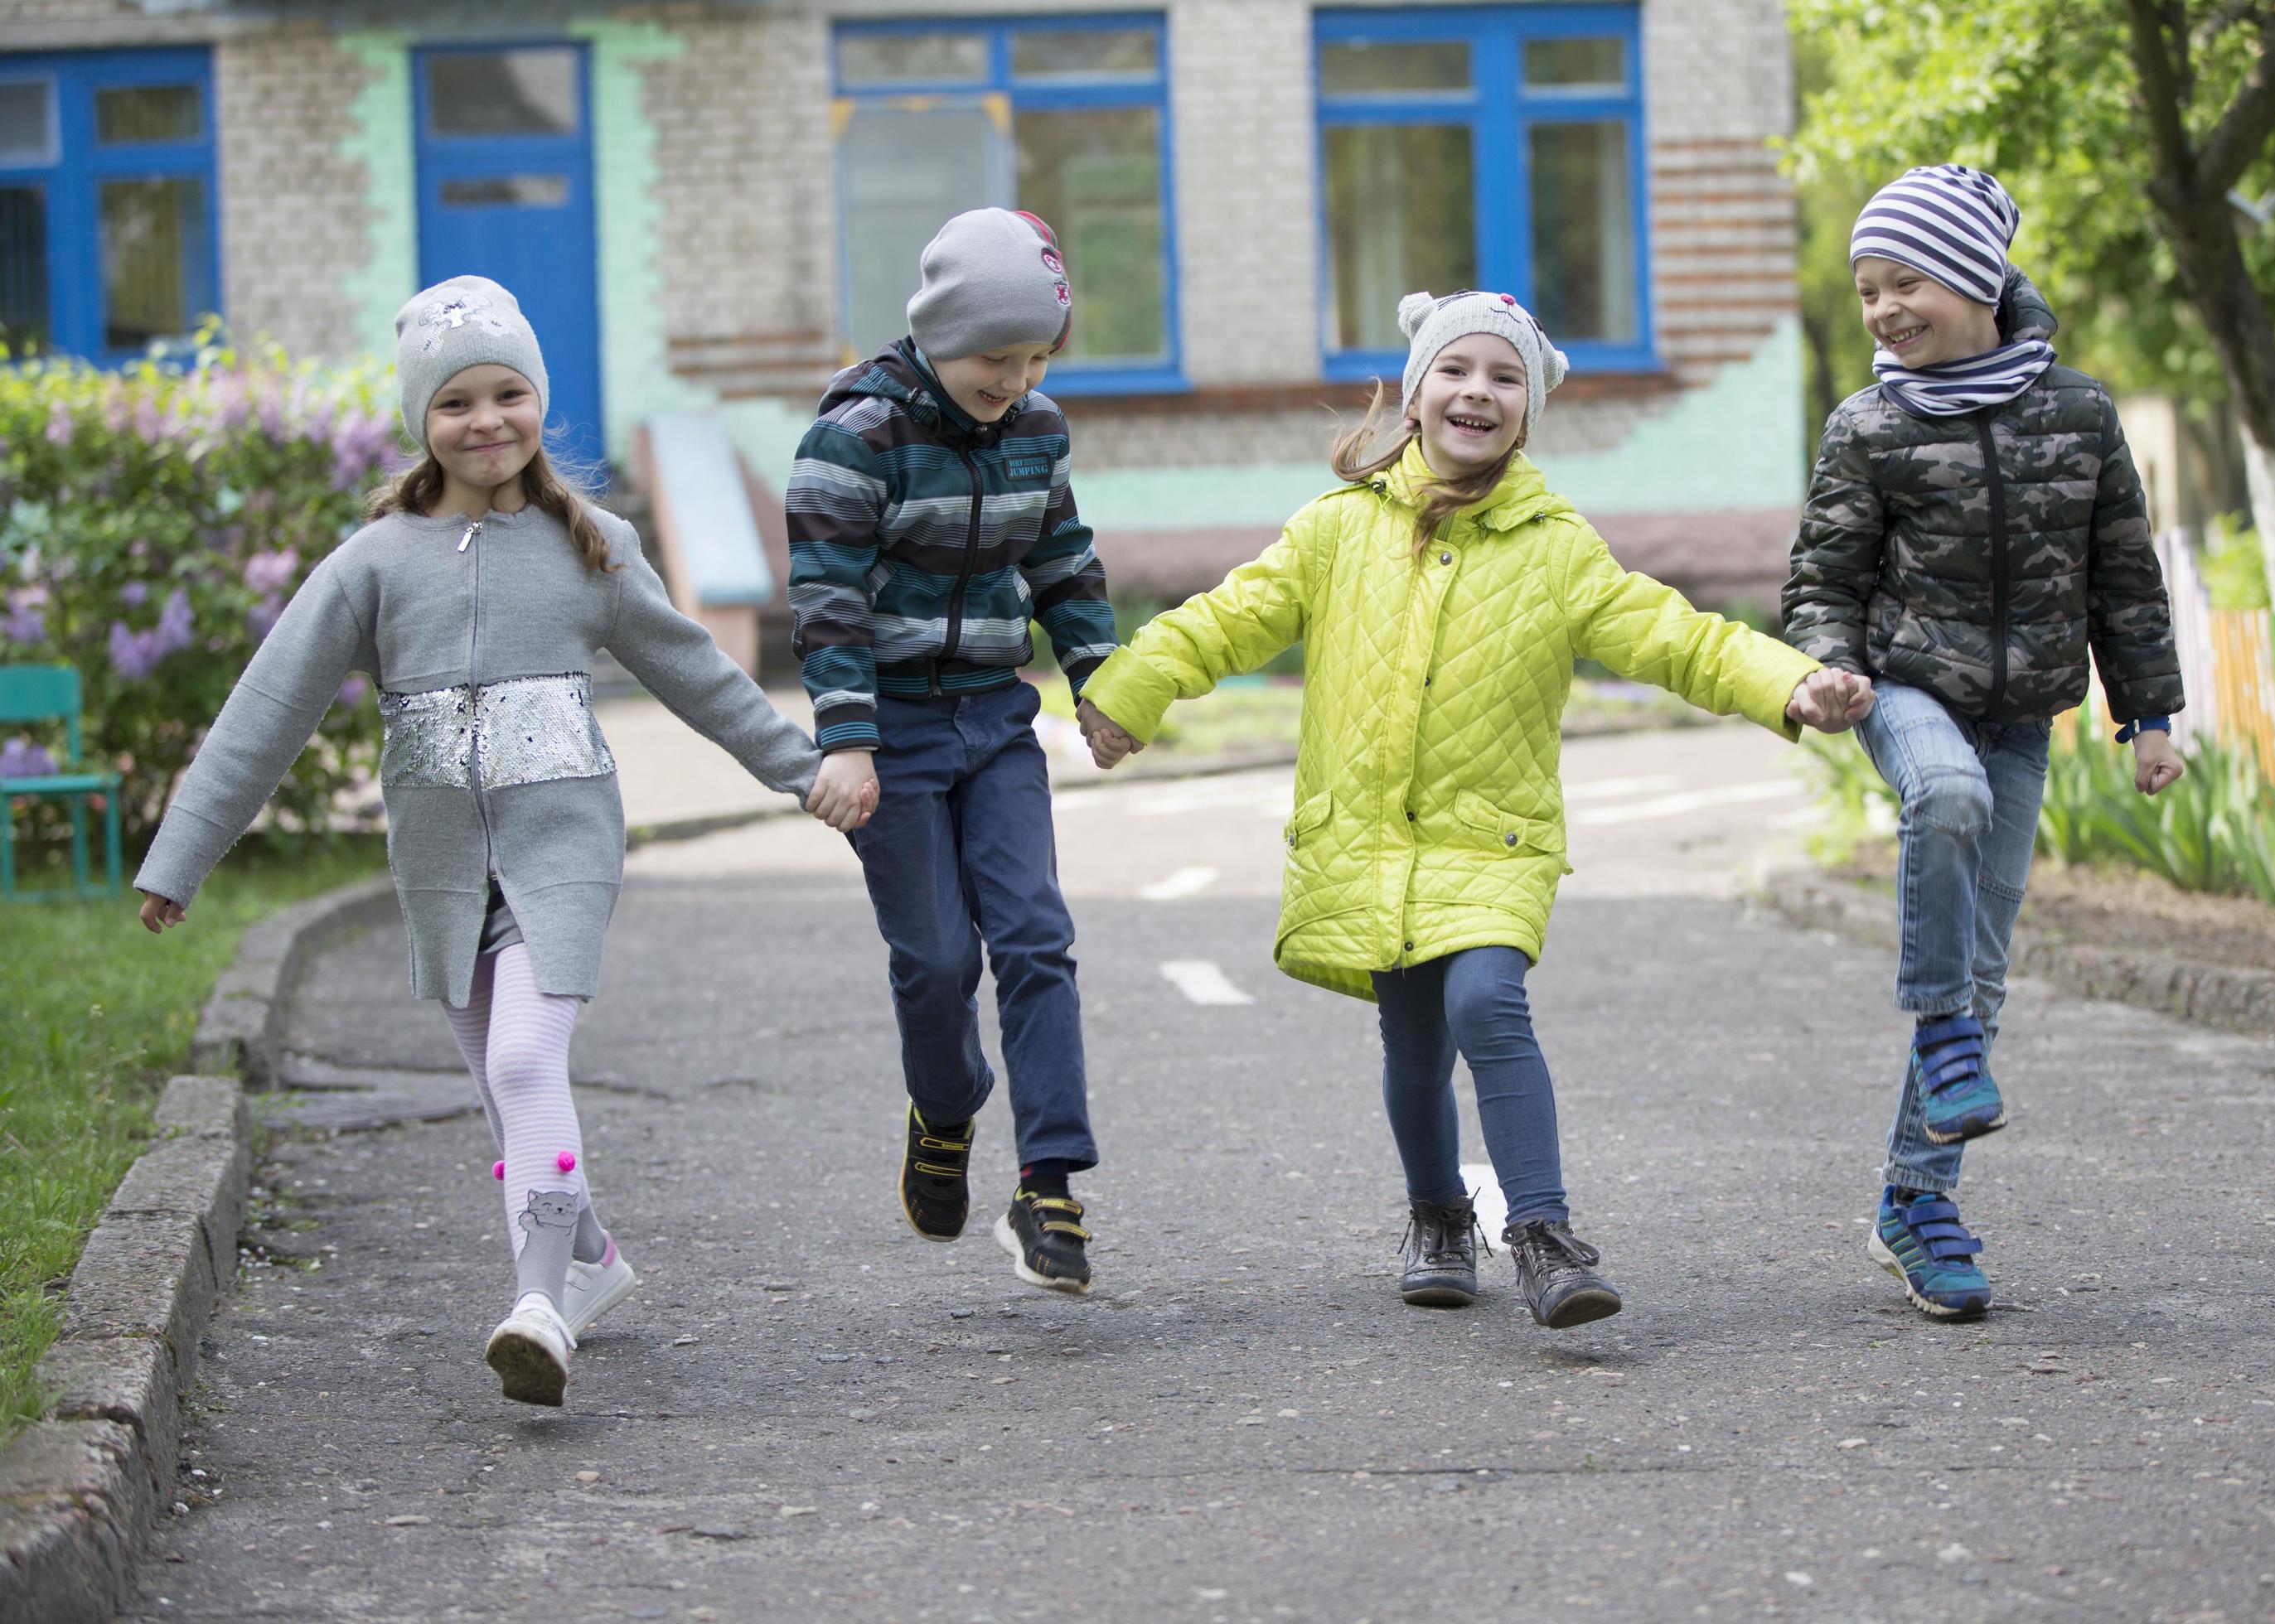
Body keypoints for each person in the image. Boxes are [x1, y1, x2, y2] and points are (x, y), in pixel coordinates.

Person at [1079, 290, 1871, 1328]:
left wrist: (1788, 681)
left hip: (1494, 842)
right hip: (1368, 841)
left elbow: (1675, 635)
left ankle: (1541, 1232)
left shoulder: (1558, 549)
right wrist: (1128, 694)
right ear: (1415, 399)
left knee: (1487, 1003)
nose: (1479, 393)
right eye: (1456, 371)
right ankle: (1437, 1212)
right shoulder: (1333, 534)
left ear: (1528, 412)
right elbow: (1223, 622)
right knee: (1414, 1052)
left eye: (1506, 379)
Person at [135, 276, 830, 1404]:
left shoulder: (591, 546)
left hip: (563, 852)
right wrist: (182, 855)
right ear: (424, 422)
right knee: (506, 1099)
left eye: (509, 394)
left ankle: (541, 1306)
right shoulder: (373, 566)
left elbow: (698, 673)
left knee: (523, 1061)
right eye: (457, 402)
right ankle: (593, 1261)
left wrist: (806, 775)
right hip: (444, 872)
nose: (487, 421)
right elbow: (268, 712)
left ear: (538, 405)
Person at [1782, 164, 2185, 1320]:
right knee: (1943, 799)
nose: (1883, 309)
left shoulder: (2082, 413)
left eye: (1903, 279)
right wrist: (1830, 661)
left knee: (1993, 965)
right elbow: (1823, 578)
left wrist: (2148, 716)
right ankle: (1939, 1019)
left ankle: (1916, 1203)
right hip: (1906, 688)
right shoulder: (1871, 423)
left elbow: (2125, 578)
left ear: (1971, 277)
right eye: (1866, 291)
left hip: (2025, 711)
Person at [787, 209, 1117, 1294]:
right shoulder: (859, 436)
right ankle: (945, 1106)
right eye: (994, 356)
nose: (1014, 379)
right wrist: (845, 742)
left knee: (1035, 939)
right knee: (936, 963)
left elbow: (1066, 564)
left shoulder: (1037, 429)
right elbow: (827, 601)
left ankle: (1050, 1185)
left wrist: (1102, 685)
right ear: (934, 332)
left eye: (1034, 358)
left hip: (996, 719)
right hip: (892, 733)